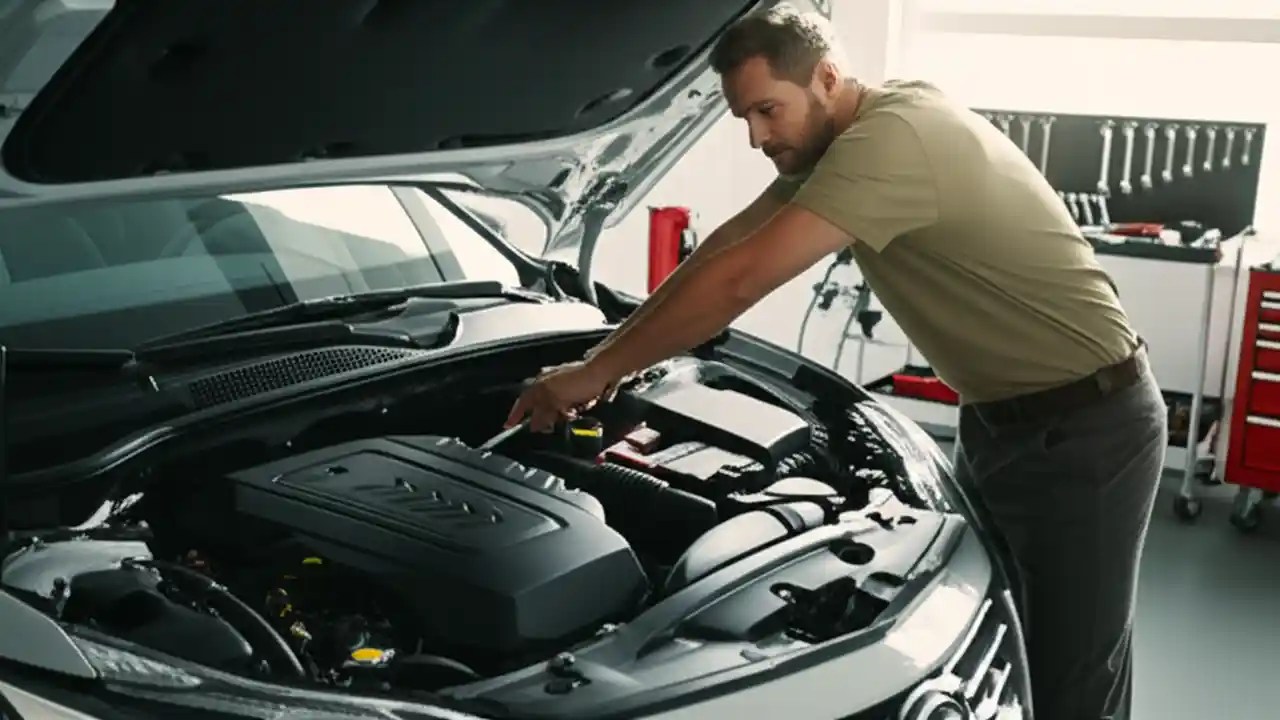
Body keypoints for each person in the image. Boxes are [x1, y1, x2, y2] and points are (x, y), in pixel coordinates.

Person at [506, 6, 1165, 719]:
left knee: (1073, 674)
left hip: (1087, 425)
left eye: (767, 110)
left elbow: (741, 280)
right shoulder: (841, 142)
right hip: (1001, 422)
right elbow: (727, 246)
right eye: (744, 120)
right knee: (1004, 643)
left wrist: (594, 374)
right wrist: (608, 354)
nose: (758, 136)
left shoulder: (896, 138)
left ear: (826, 77)